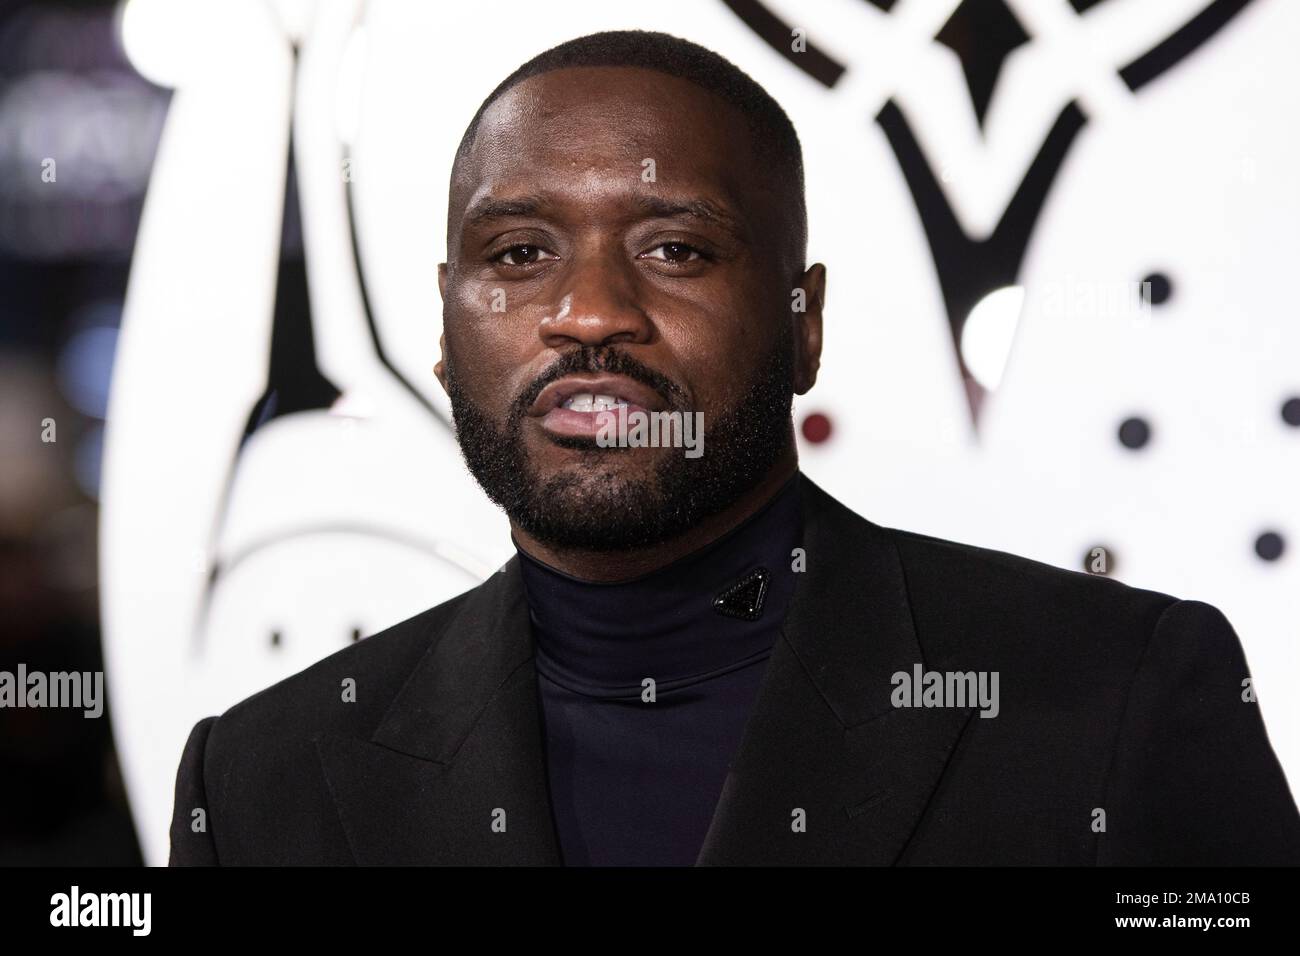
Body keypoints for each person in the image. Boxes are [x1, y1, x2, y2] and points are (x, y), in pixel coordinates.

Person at [169, 30, 1300, 866]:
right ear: (444, 322)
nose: (590, 311)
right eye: (518, 252)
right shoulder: (265, 779)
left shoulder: (1118, 697)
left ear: (802, 324)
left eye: (673, 249)